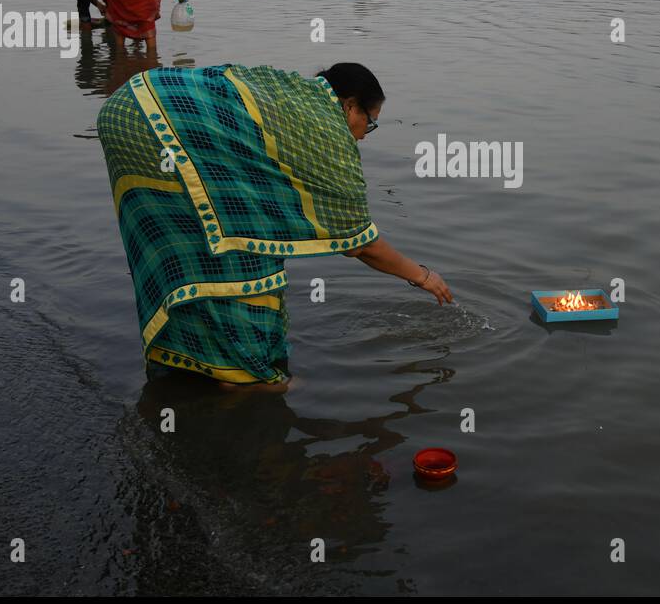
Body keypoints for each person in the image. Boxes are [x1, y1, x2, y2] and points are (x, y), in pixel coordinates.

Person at [97, 61, 452, 390]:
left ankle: (192, 361)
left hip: (133, 105)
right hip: (153, 127)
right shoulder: (327, 132)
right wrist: (422, 276)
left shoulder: (294, 97)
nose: (366, 133)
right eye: (370, 121)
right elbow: (359, 242)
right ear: (348, 106)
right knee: (242, 251)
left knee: (217, 238)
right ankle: (244, 376)